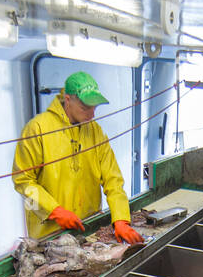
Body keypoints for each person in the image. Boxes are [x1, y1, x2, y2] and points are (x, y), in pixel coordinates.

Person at [12, 71, 144, 244]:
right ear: (68, 100)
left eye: (94, 108)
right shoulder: (37, 128)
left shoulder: (95, 131)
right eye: (85, 108)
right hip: (48, 235)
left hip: (86, 230)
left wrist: (121, 219)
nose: (91, 115)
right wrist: (54, 211)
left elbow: (113, 180)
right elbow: (23, 181)